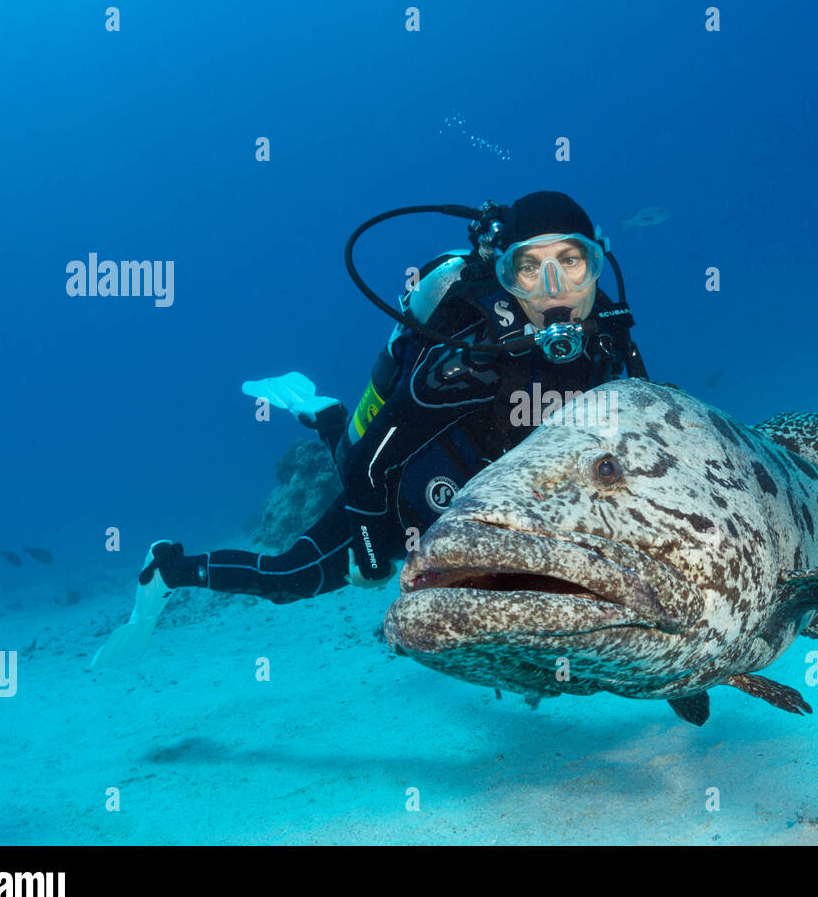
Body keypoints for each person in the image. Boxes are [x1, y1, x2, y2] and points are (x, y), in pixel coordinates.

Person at [137, 191, 650, 604]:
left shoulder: (609, 338)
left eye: (571, 260)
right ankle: (168, 568)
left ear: (597, 262)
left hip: (502, 510)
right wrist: (372, 558)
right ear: (506, 278)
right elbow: (365, 470)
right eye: (530, 267)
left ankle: (329, 418)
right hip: (403, 500)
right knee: (291, 578)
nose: (555, 287)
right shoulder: (470, 363)